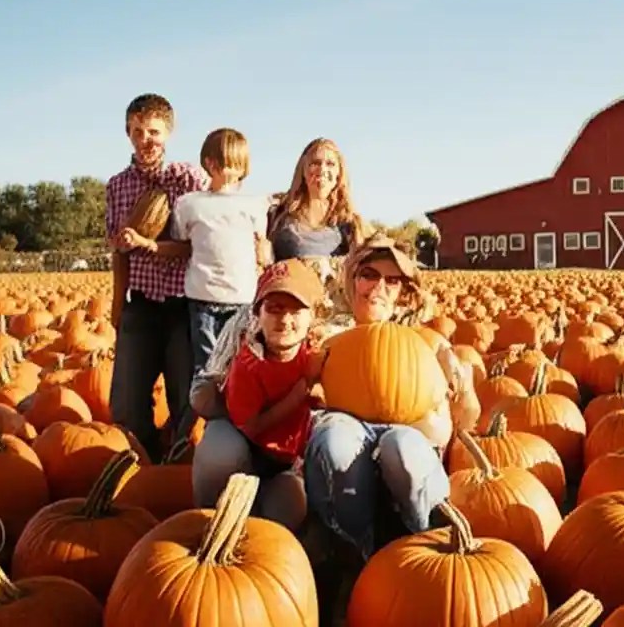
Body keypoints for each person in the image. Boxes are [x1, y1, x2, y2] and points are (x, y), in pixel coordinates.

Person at [303, 234, 479, 619]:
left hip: (408, 449)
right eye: (369, 274)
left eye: (392, 280)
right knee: (335, 440)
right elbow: (300, 399)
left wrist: (463, 389)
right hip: (351, 434)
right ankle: (357, 554)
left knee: (402, 445)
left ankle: (417, 549)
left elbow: (467, 419)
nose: (379, 287)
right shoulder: (328, 339)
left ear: (404, 293)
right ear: (352, 280)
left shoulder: (428, 342)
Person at [105, 93, 207, 462]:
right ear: (127, 133)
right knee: (127, 404)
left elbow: (197, 247)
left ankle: (179, 472)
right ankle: (143, 469)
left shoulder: (188, 179)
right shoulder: (118, 186)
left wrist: (149, 244)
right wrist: (118, 307)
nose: (144, 139)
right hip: (142, 305)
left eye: (153, 131)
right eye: (136, 131)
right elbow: (120, 253)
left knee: (186, 401)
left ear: (168, 133)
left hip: (185, 305)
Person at [190, 258, 325, 529]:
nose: (285, 320)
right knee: (221, 453)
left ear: (313, 316)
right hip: (247, 441)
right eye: (274, 309)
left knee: (286, 515)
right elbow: (252, 427)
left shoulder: (321, 352)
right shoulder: (247, 363)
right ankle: (208, 523)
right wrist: (301, 391)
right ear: (258, 314)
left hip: (285, 464)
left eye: (296, 310)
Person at [166, 128, 272, 394]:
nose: (224, 169)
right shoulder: (189, 203)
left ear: (242, 167)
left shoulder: (254, 205)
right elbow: (181, 241)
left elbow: (261, 244)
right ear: (207, 163)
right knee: (205, 368)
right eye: (217, 161)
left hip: (242, 298)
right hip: (202, 297)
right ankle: (204, 425)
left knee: (241, 364)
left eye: (233, 164)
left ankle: (235, 422)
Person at [265, 138, 368, 262]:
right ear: (303, 170)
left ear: (339, 173)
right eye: (315, 163)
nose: (322, 170)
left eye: (330, 164)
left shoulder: (350, 223)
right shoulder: (277, 214)